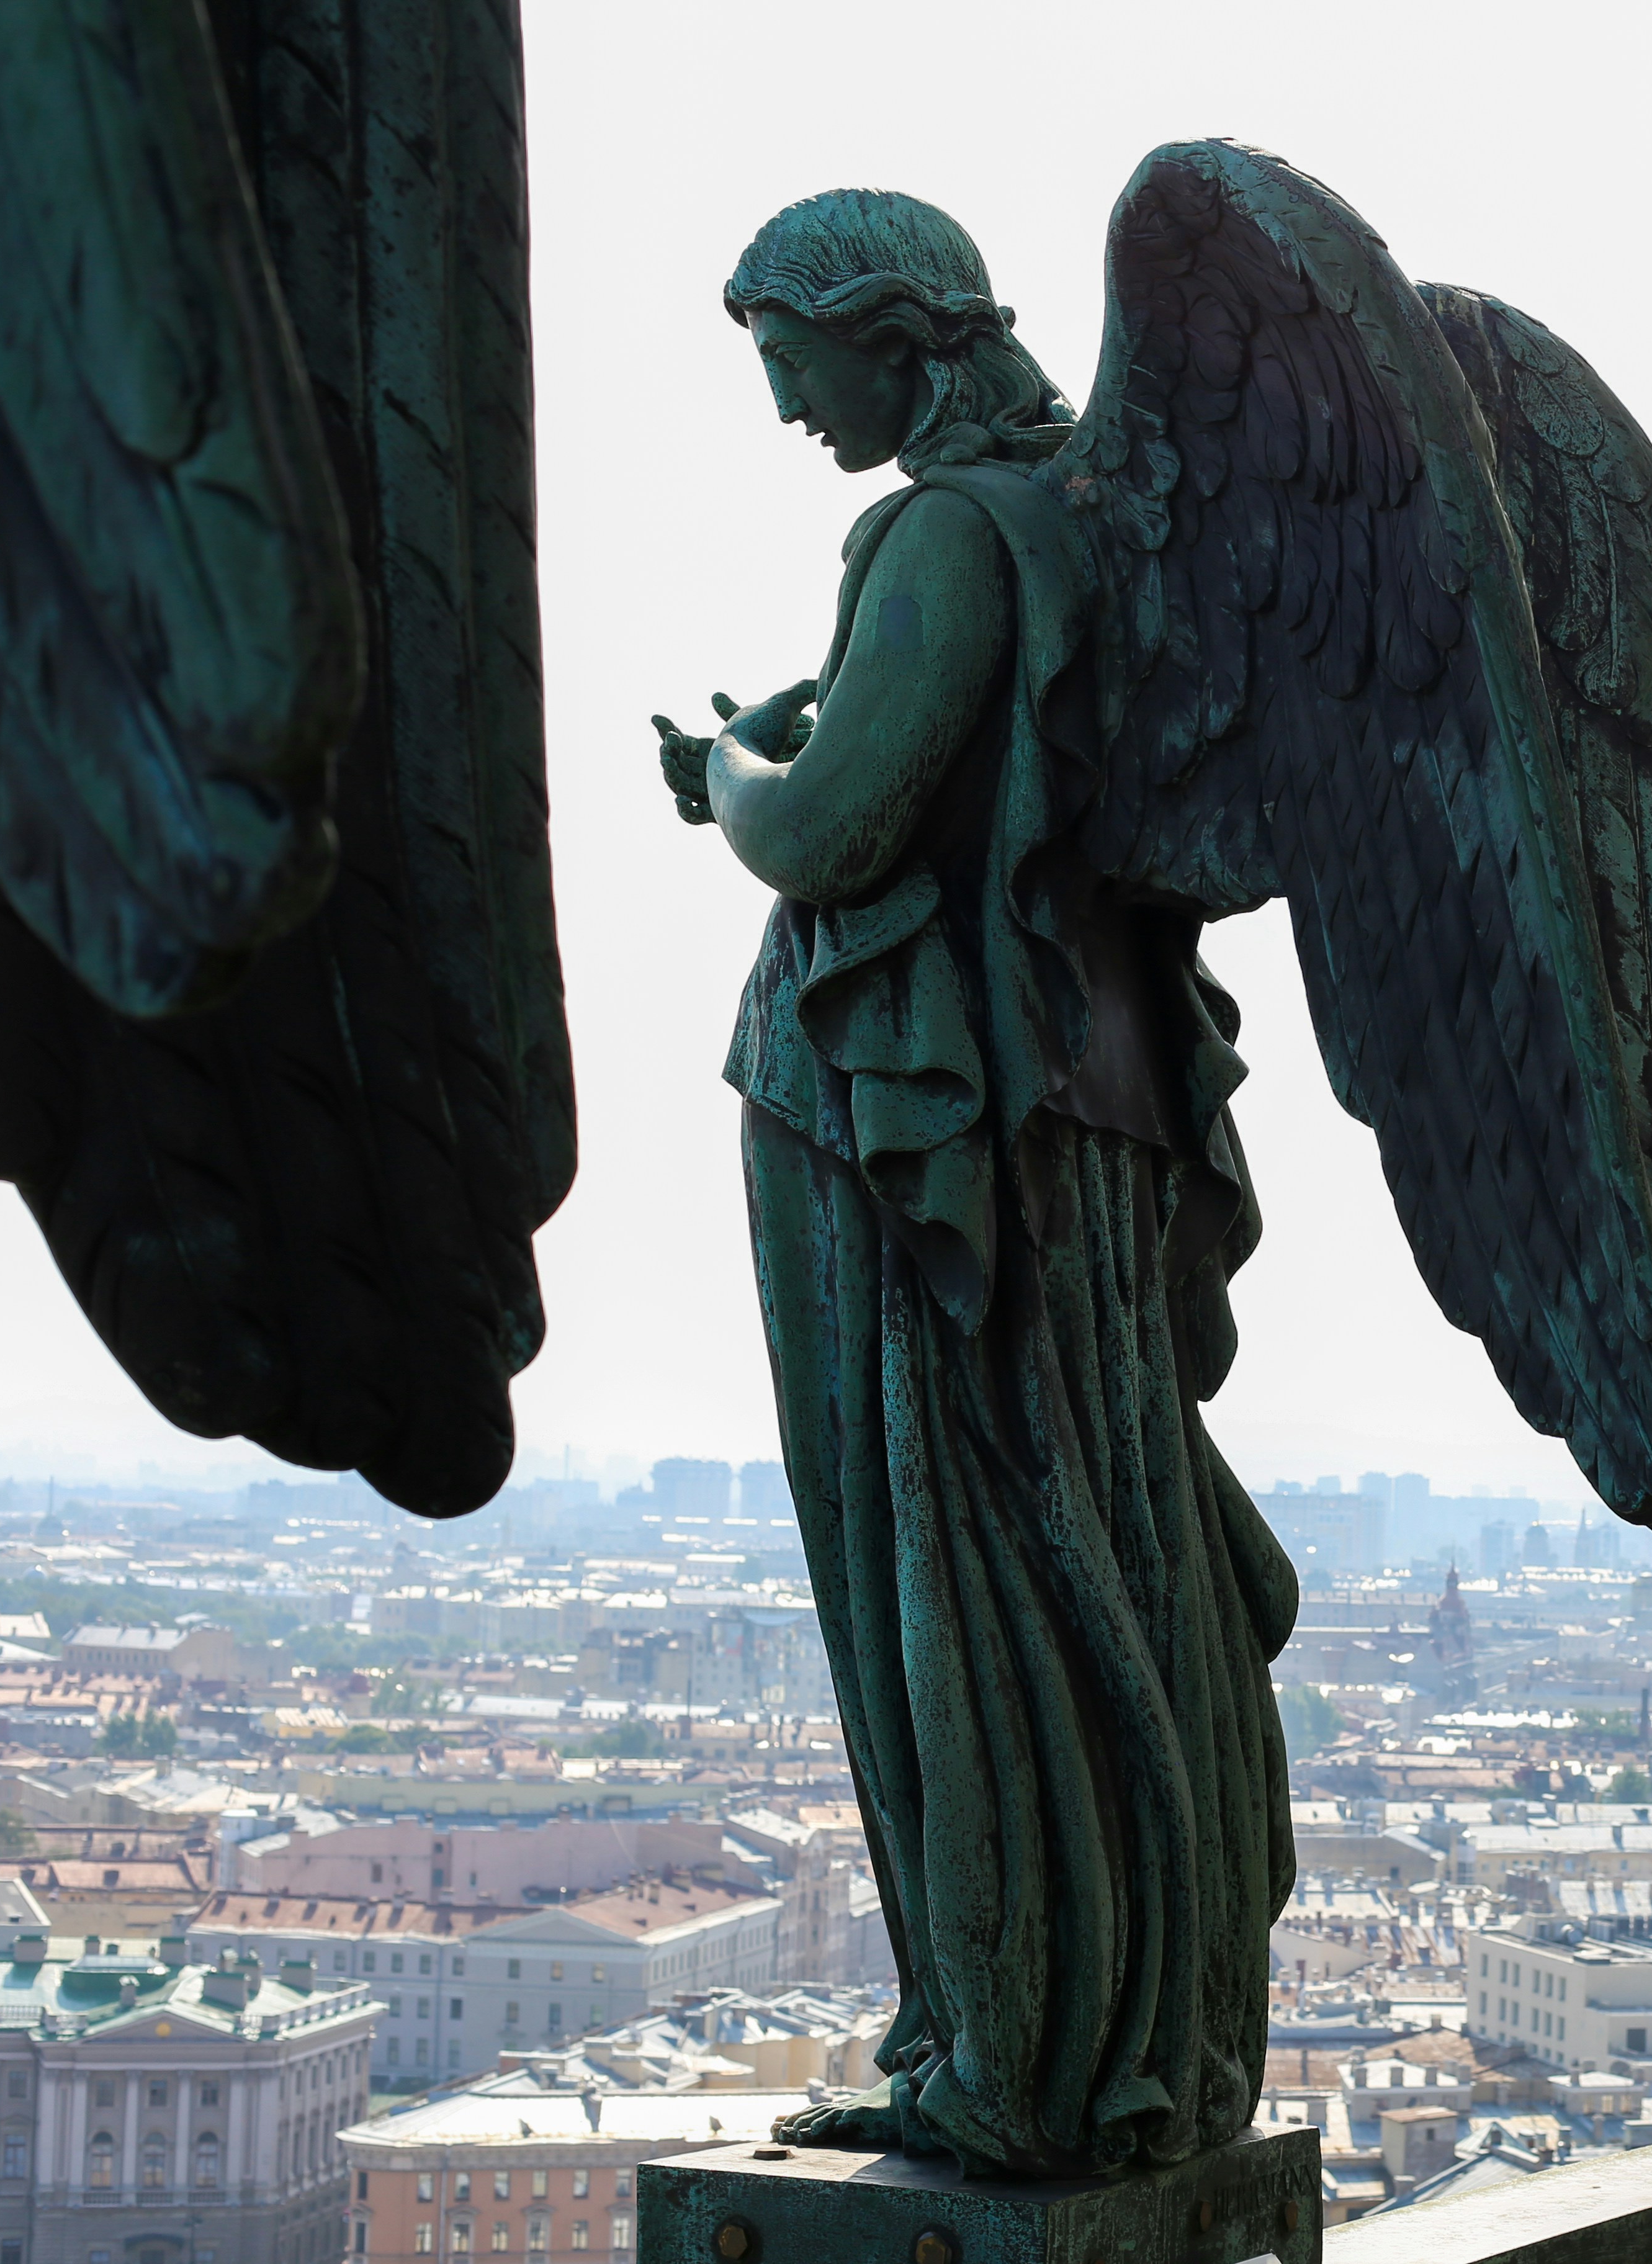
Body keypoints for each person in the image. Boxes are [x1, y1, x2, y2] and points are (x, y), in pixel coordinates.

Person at [653, 189, 1293, 2180]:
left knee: (951, 1548)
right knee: (1079, 1539)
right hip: (1075, 1128)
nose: (783, 410)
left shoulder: (955, 535)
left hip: (927, 1128)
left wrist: (729, 777)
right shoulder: (1100, 536)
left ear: (891, 332)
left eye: (791, 361)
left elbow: (837, 835)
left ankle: (1010, 2052)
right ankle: (1117, 2036)